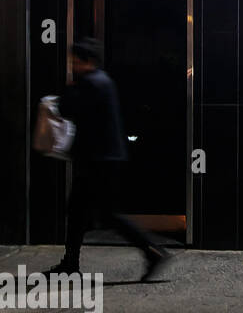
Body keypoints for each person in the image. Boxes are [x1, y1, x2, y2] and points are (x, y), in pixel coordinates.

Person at [47, 38, 171, 280]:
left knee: (100, 214)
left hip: (97, 161)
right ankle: (71, 261)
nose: (73, 65)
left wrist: (68, 89)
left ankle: (152, 251)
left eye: (75, 61)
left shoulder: (92, 83)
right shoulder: (103, 82)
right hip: (103, 159)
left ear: (87, 61)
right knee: (81, 212)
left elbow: (67, 109)